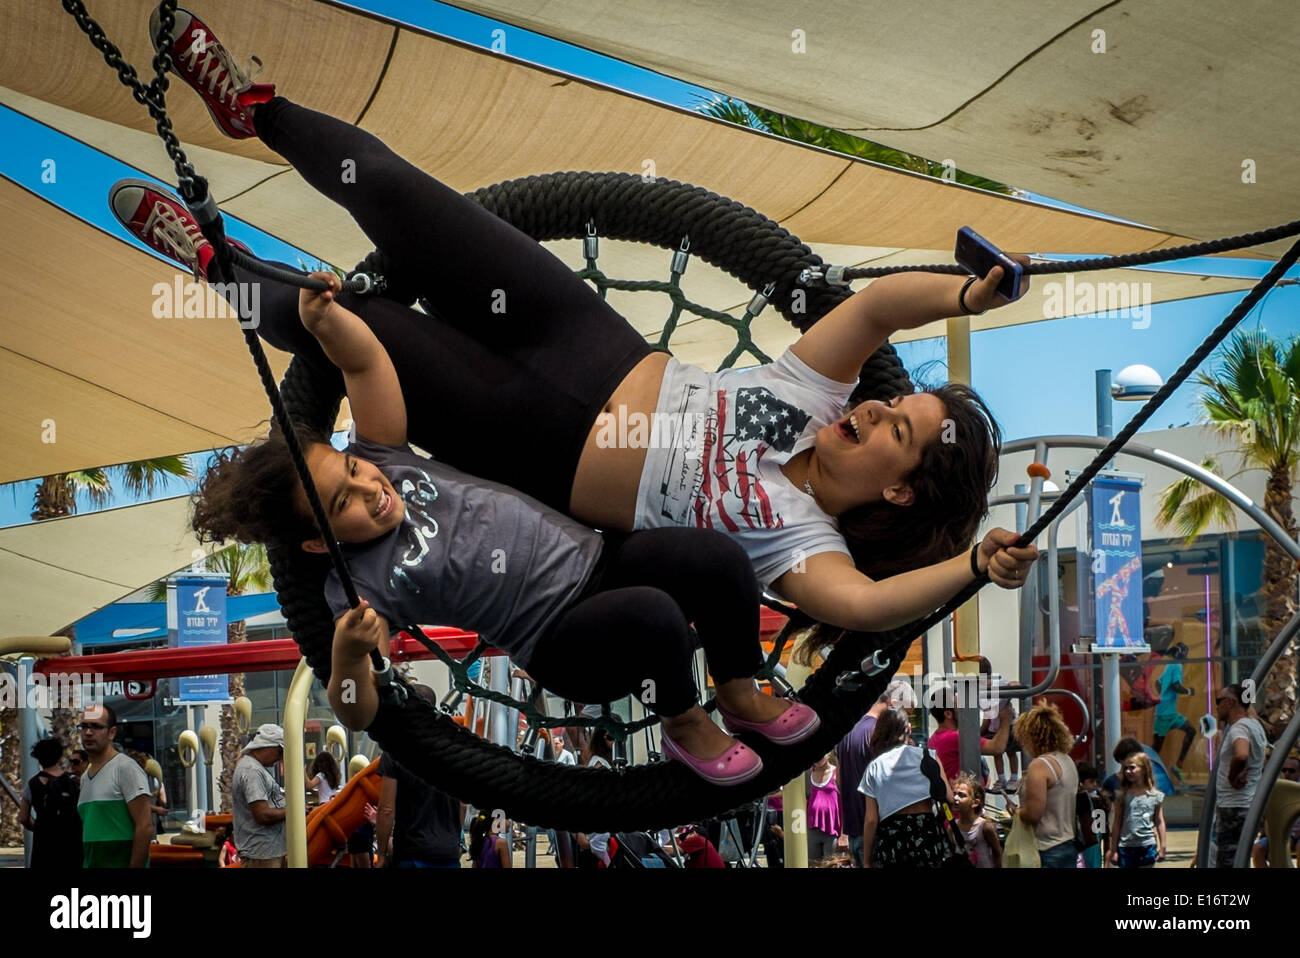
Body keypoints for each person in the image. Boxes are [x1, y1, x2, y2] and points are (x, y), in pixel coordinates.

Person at [144, 6, 1040, 669]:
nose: (881, 407)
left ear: (899, 494)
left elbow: (878, 607)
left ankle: (221, 268)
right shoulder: (819, 393)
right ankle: (254, 109)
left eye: (901, 431)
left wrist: (974, 565)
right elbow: (882, 307)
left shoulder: (804, 550)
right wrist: (969, 294)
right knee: (405, 201)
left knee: (353, 328)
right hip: (581, 336)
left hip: (524, 439)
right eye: (898, 404)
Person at [860, 707, 953, 867]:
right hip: (927, 835)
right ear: (908, 729)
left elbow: (871, 820)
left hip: (893, 840)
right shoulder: (929, 757)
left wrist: (867, 860)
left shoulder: (875, 767)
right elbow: (949, 798)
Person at [836, 681, 913, 867]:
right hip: (879, 833)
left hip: (855, 831)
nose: (904, 721)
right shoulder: (880, 735)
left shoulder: (847, 731)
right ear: (893, 704)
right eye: (905, 714)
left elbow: (839, 781)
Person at [76, 705, 152, 868]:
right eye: (84, 726)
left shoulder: (125, 768)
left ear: (112, 732)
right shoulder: (84, 778)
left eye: (96, 726)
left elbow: (145, 825)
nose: (88, 732)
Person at [1009, 703, 1078, 868]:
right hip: (1068, 842)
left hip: (1046, 847)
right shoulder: (1066, 760)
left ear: (1033, 736)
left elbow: (1033, 813)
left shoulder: (1040, 765)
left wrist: (1015, 811)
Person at [1211, 683, 1267, 868]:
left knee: (1228, 861)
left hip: (1235, 806)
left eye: (1218, 701)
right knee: (1239, 858)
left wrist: (1232, 777)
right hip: (1247, 803)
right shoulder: (1254, 725)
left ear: (1230, 703)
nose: (1216, 706)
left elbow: (1241, 754)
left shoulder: (1239, 728)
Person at [927, 681, 1015, 783]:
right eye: (959, 705)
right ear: (948, 714)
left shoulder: (934, 739)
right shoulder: (954, 737)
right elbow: (997, 748)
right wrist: (1005, 720)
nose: (965, 709)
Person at [18, 738, 83, 869]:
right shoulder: (74, 782)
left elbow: (23, 817)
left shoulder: (32, 784)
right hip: (72, 842)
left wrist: (36, 827)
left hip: (44, 842)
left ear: (38, 758)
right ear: (59, 756)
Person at [231, 723, 288, 868]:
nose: (280, 758)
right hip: (262, 854)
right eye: (279, 752)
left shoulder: (255, 768)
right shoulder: (252, 771)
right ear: (268, 746)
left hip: (266, 852)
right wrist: (293, 811)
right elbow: (262, 815)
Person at [1108, 752, 1166, 869]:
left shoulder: (1155, 796)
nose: (1128, 771)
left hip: (1147, 845)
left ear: (1144, 769)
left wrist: (1163, 846)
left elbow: (1159, 821)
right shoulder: (1122, 795)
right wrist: (1114, 850)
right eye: (1126, 768)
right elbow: (1117, 823)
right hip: (1126, 846)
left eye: (1132, 768)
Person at [1151, 642, 1197, 782]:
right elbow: (1176, 686)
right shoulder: (1176, 665)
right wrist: (1189, 691)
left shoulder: (1169, 665)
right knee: (1156, 747)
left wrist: (1163, 695)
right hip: (1165, 714)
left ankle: (1178, 766)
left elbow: (1157, 683)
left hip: (1169, 712)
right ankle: (1147, 770)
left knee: (1191, 730)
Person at [575, 729, 616, 868]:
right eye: (611, 736)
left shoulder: (604, 763)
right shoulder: (600, 765)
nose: (615, 740)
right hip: (596, 839)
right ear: (600, 739)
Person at [1100, 736, 1174, 799]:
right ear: (1120, 759)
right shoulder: (1111, 782)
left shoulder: (1145, 781)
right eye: (1127, 759)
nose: (1131, 763)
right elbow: (1102, 809)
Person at [952, 772, 1001, 868]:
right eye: (954, 794)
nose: (955, 798)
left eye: (961, 795)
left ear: (975, 803)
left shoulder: (985, 827)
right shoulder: (952, 827)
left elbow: (997, 854)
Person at [805, 753, 842, 862]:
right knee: (813, 864)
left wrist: (844, 835)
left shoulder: (836, 773)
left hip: (832, 829)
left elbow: (845, 803)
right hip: (812, 828)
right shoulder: (808, 774)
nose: (819, 758)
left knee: (831, 864)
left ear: (829, 753)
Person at [1075, 762, 1107, 869]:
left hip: (1094, 843)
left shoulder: (1098, 800)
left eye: (1096, 781)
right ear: (1080, 783)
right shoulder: (1077, 800)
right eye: (1091, 781)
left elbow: (1103, 828)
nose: (1095, 784)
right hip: (1084, 843)